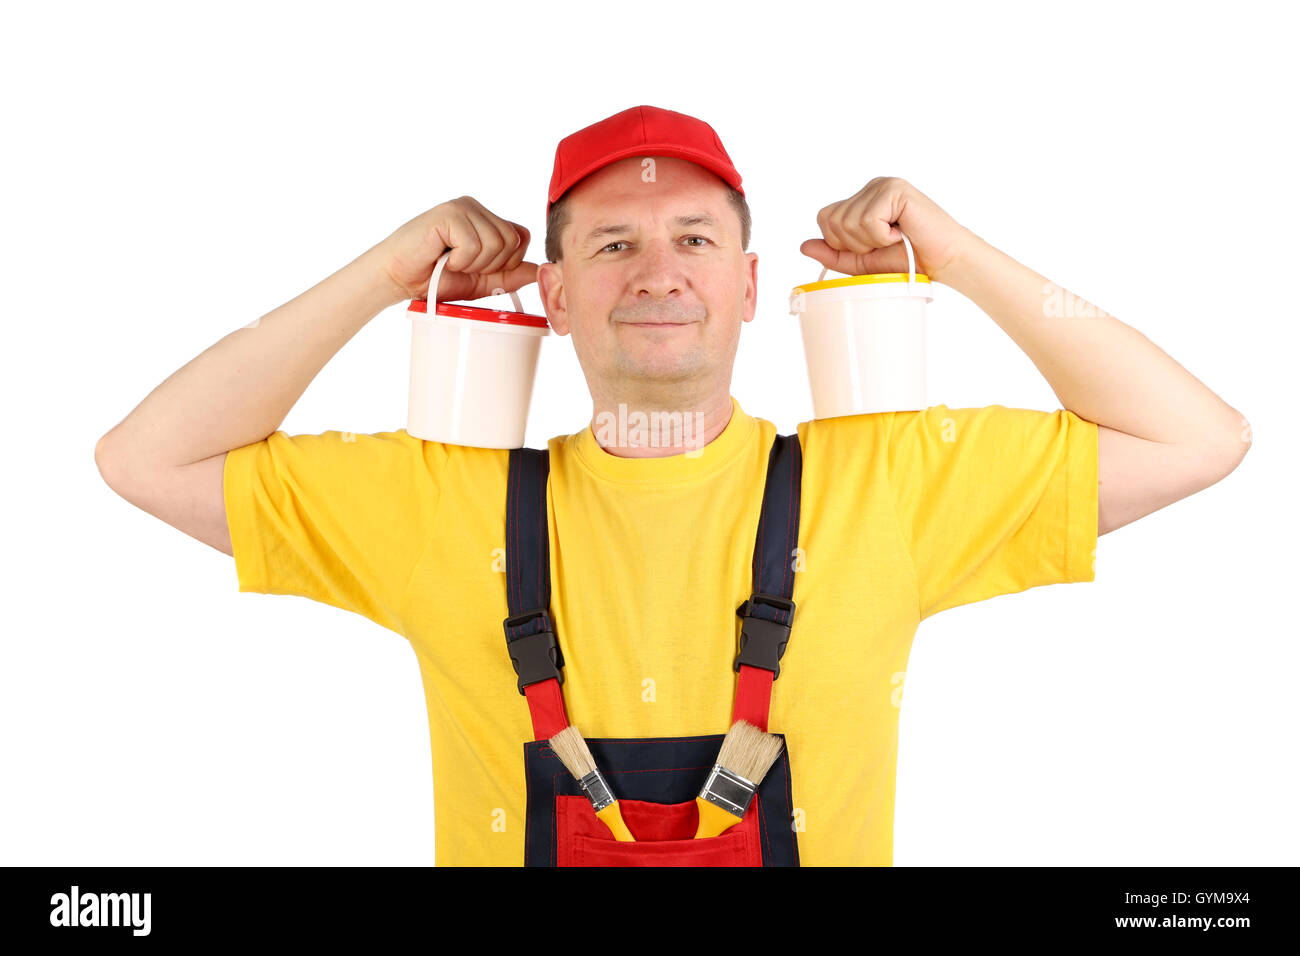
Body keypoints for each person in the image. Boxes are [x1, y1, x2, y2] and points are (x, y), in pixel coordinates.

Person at [94, 104, 1251, 866]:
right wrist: (388, 271)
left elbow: (1197, 437)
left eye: (694, 240)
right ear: (550, 296)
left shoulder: (886, 481)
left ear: (751, 286)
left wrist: (949, 249)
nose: (657, 273)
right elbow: (143, 460)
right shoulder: (436, 501)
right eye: (610, 245)